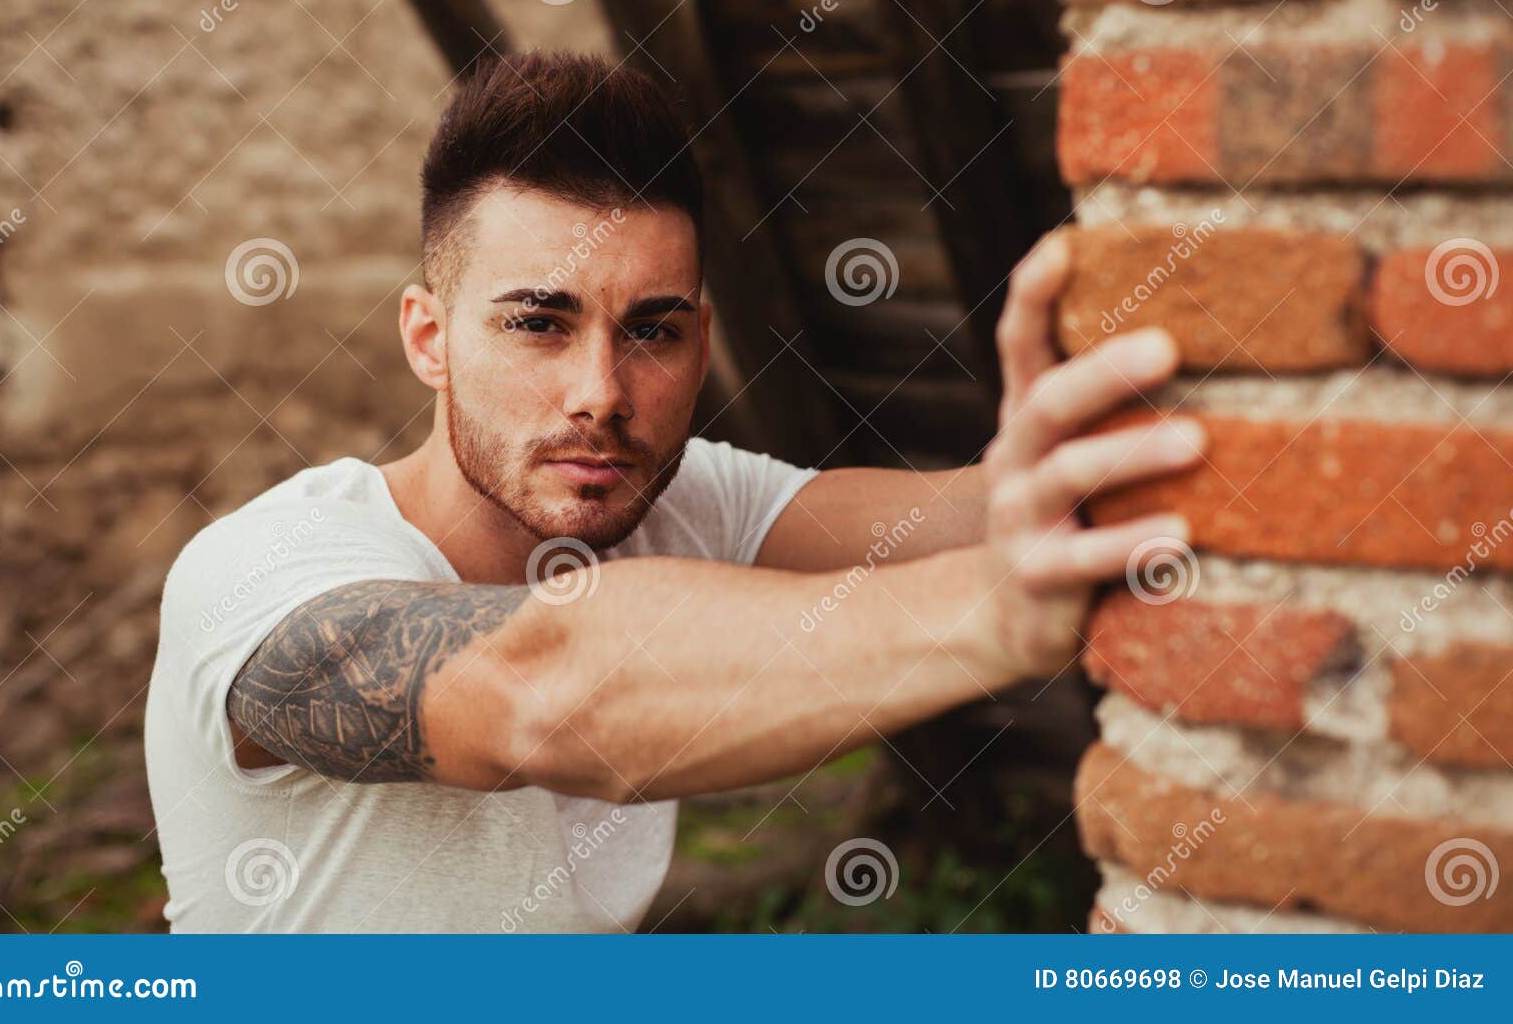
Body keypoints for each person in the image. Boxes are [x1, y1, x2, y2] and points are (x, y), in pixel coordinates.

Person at [144, 49, 1203, 932]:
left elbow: (976, 518)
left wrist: (1078, 456)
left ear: (700, 345)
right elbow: (539, 691)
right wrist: (994, 610)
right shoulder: (260, 576)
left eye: (650, 329)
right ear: (429, 337)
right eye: (537, 322)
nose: (601, 395)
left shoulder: (683, 496)